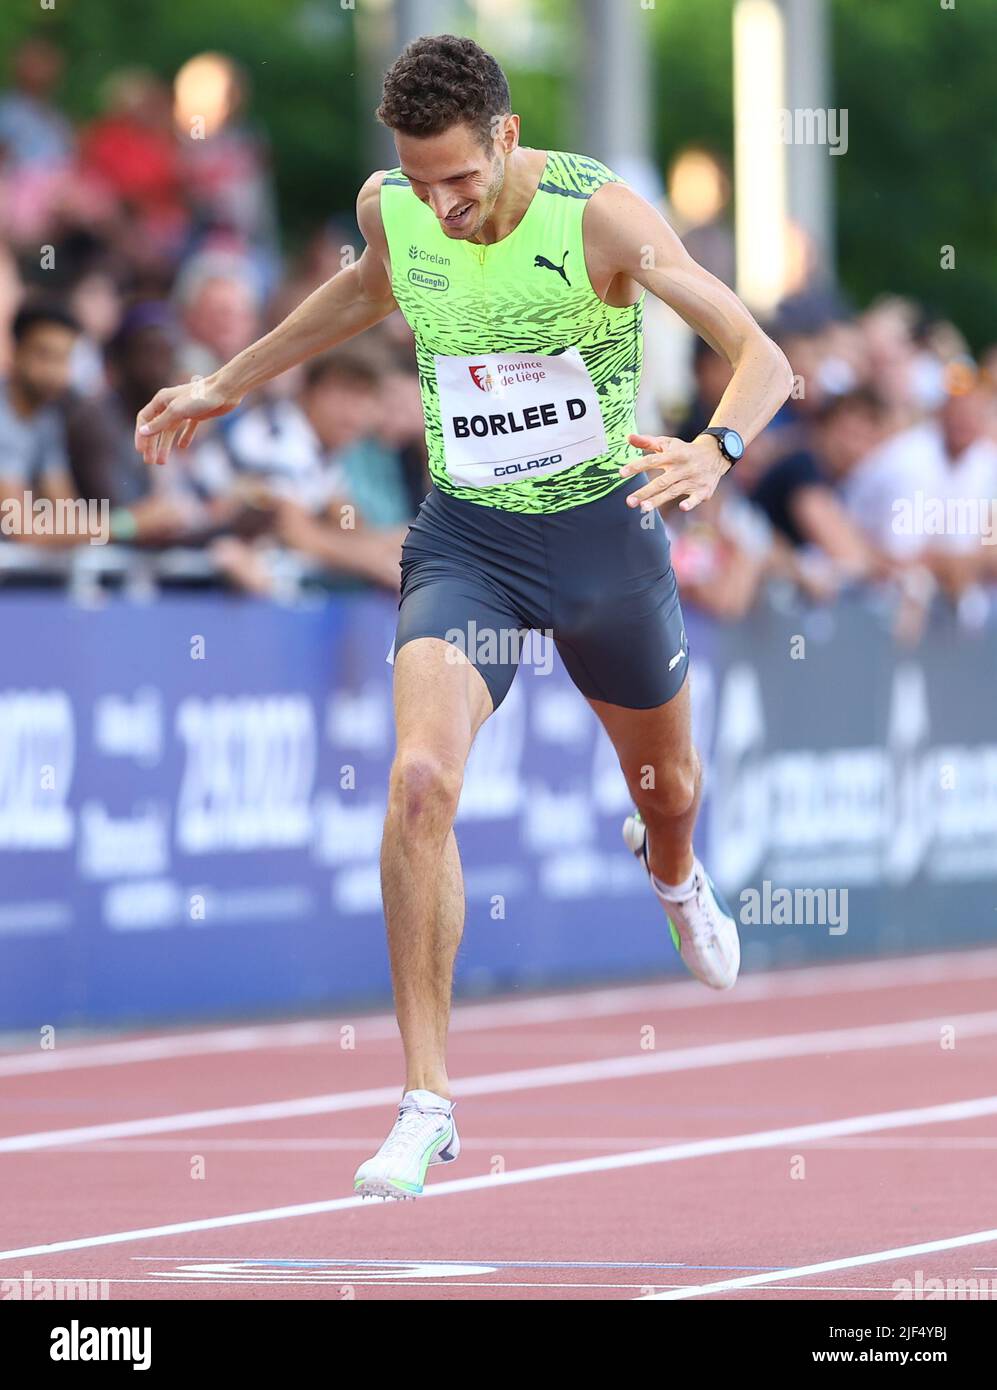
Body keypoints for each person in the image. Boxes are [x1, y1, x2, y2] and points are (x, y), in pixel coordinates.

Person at [134, 34, 793, 1200]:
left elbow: (761, 354)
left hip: (603, 538)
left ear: (506, 137)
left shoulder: (598, 216)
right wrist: (226, 381)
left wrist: (715, 447)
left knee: (670, 790)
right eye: (417, 178)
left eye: (460, 179)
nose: (439, 203)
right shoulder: (392, 207)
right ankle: (425, 1100)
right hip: (468, 542)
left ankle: (675, 874)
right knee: (419, 783)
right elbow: (366, 287)